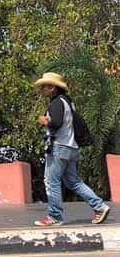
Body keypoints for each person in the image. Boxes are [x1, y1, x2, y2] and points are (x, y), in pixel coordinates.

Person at [33, 72, 110, 227]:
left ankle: (54, 216)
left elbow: (56, 123)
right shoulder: (68, 102)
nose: (42, 90)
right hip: (71, 147)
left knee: (51, 182)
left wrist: (44, 121)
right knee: (73, 182)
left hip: (59, 147)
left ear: (52, 88)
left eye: (45, 87)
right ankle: (100, 207)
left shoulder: (56, 103)